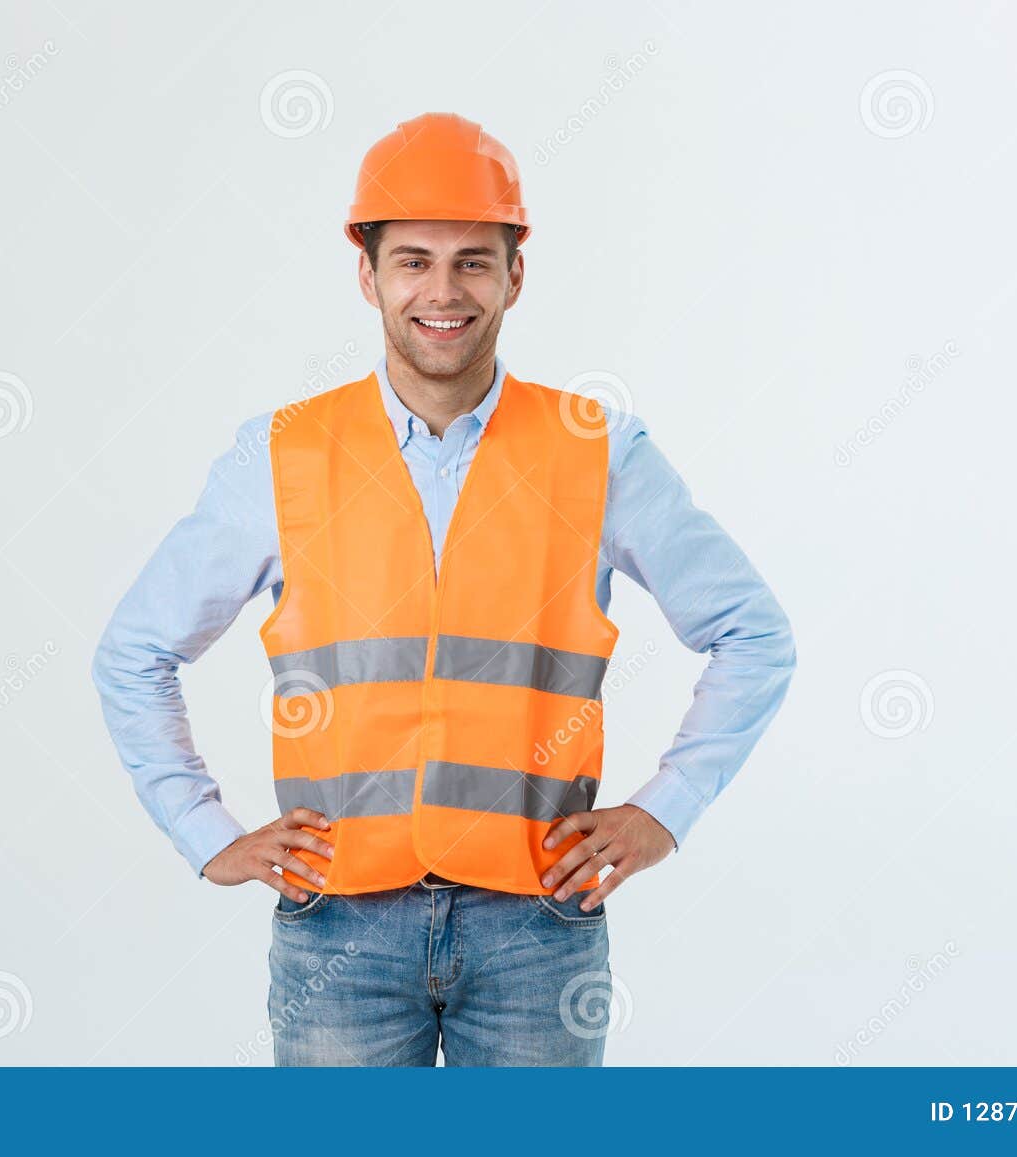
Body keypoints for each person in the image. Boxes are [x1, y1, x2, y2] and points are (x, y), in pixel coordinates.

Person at [92, 112, 796, 1066]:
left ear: (515, 273)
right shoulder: (281, 456)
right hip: (338, 927)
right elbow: (136, 652)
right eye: (414, 259)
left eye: (473, 260)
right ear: (367, 274)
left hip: (538, 931)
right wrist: (204, 830)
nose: (442, 291)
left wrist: (664, 810)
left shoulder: (600, 452)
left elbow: (754, 634)